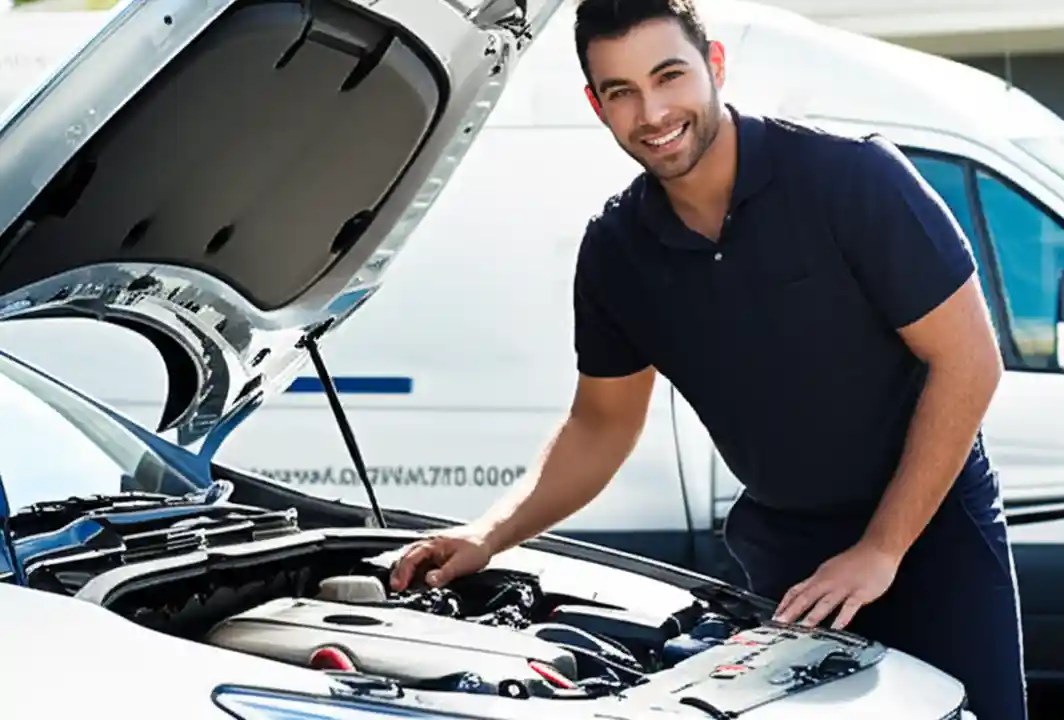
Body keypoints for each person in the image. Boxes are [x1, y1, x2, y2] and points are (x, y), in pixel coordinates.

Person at [390, 0, 1026, 717]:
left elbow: (969, 363)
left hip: (932, 535)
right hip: (786, 553)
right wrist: (487, 534)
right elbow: (600, 425)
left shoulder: (852, 180)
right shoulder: (616, 252)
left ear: (714, 65)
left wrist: (881, 548)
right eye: (622, 91)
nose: (653, 111)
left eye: (670, 76)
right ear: (597, 106)